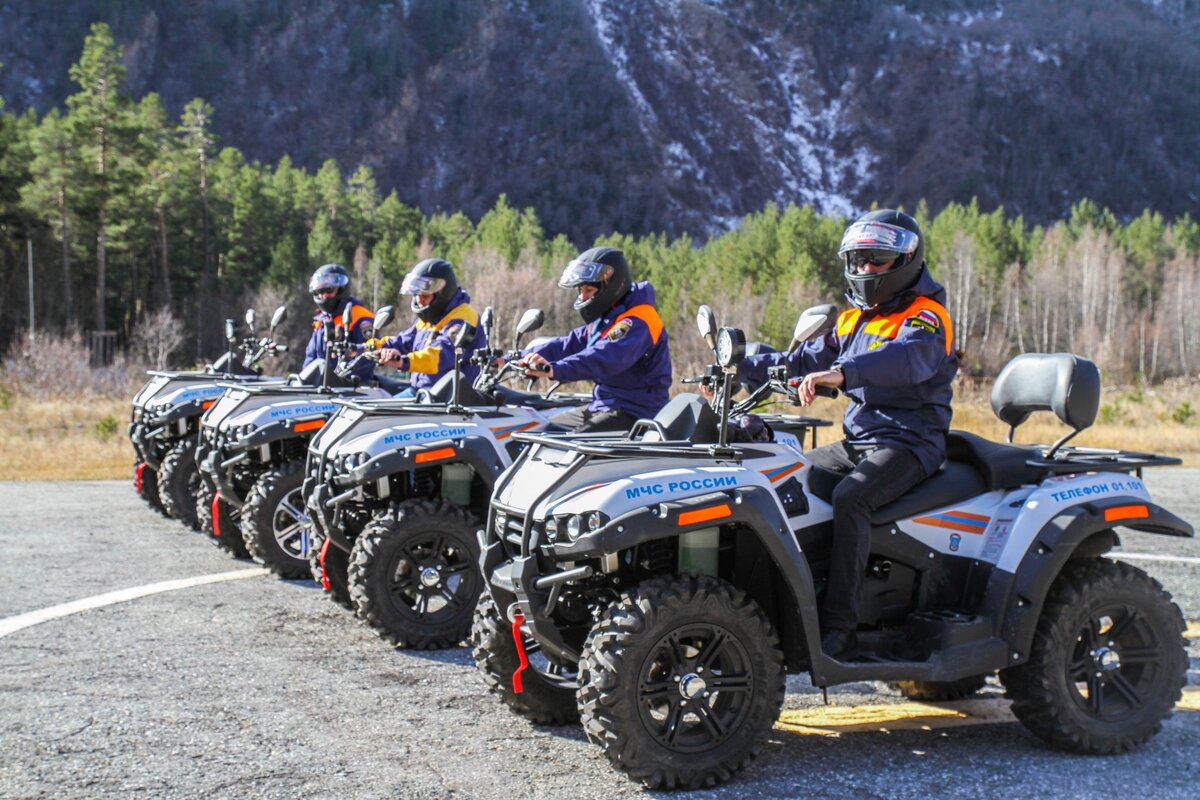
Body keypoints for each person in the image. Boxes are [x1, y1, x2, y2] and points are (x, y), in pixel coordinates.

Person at [738, 209, 958, 661]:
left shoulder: (927, 316)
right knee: (787, 477)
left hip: (910, 442)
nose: (865, 268)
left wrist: (843, 373)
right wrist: (738, 367)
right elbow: (801, 359)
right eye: (858, 259)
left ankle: (841, 628)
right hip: (859, 441)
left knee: (851, 498)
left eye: (876, 259)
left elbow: (907, 360)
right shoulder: (854, 319)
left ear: (906, 260)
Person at [514, 246, 672, 433]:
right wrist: (513, 358)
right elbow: (568, 344)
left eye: (589, 290)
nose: (583, 297)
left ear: (610, 285)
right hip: (602, 405)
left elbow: (603, 358)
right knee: (538, 429)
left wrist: (554, 370)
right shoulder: (610, 316)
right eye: (580, 291)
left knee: (559, 444)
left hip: (635, 413)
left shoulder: (639, 320)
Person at [375, 258, 487, 394]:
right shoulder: (431, 318)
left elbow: (440, 355)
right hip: (423, 392)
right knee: (375, 403)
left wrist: (403, 361)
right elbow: (403, 342)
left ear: (442, 293)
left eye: (424, 296)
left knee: (381, 407)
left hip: (450, 398)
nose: (418, 300)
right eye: (416, 295)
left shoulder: (463, 318)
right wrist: (369, 347)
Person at [304, 263, 376, 381]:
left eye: (329, 290)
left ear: (342, 289)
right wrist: (306, 380)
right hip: (322, 385)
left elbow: (368, 355)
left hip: (353, 386)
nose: (324, 296)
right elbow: (311, 357)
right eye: (320, 292)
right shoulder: (321, 320)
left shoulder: (361, 317)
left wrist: (340, 378)